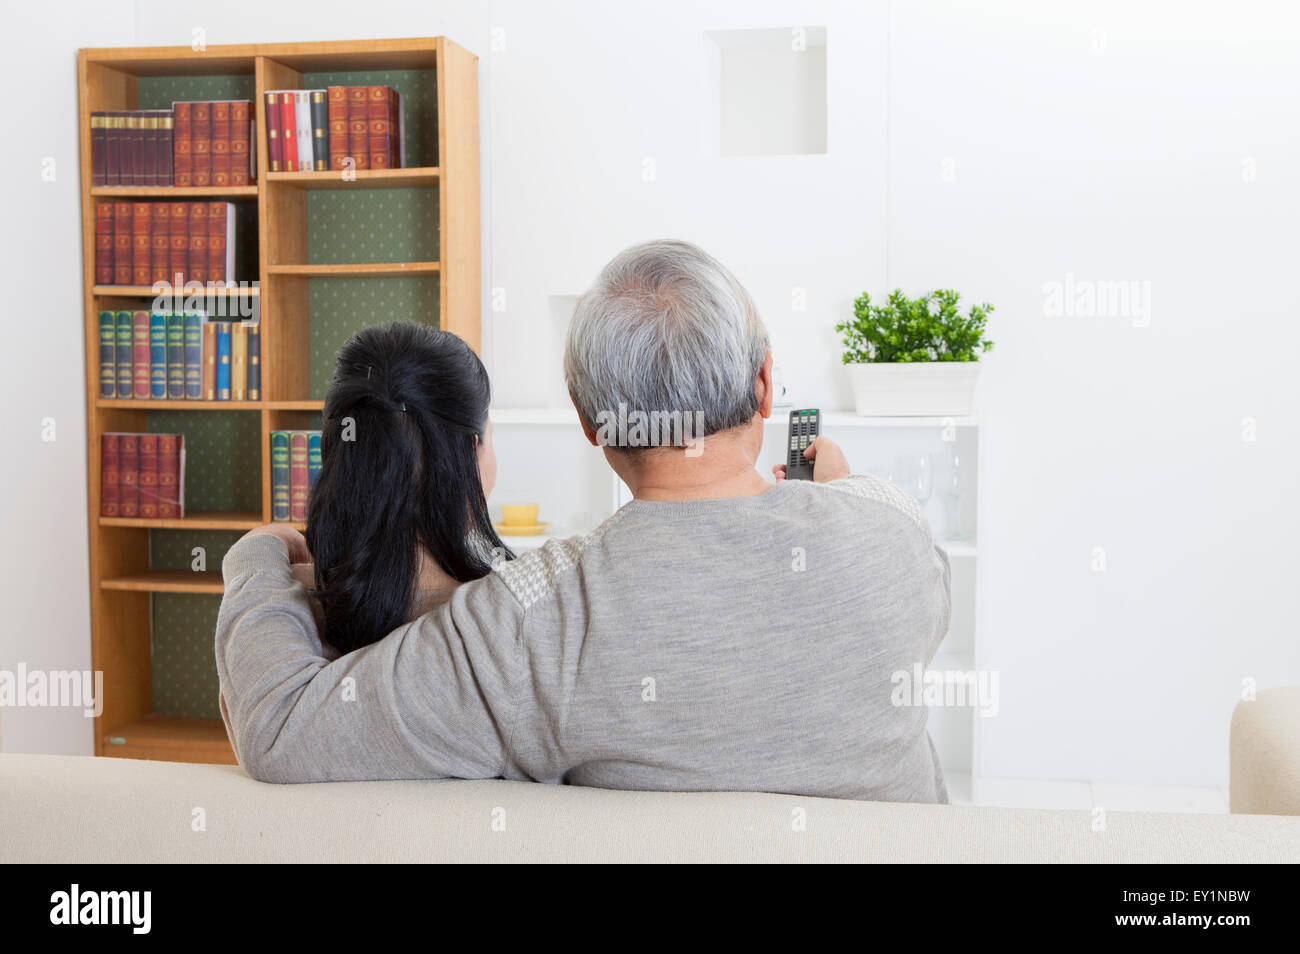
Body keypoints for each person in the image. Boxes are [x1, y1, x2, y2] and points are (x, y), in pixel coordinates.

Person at [216, 240, 952, 802]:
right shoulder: (896, 534)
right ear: (764, 385)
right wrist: (840, 485)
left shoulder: (533, 616)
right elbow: (861, 519)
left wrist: (257, 558)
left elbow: (283, 730)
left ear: (588, 421)